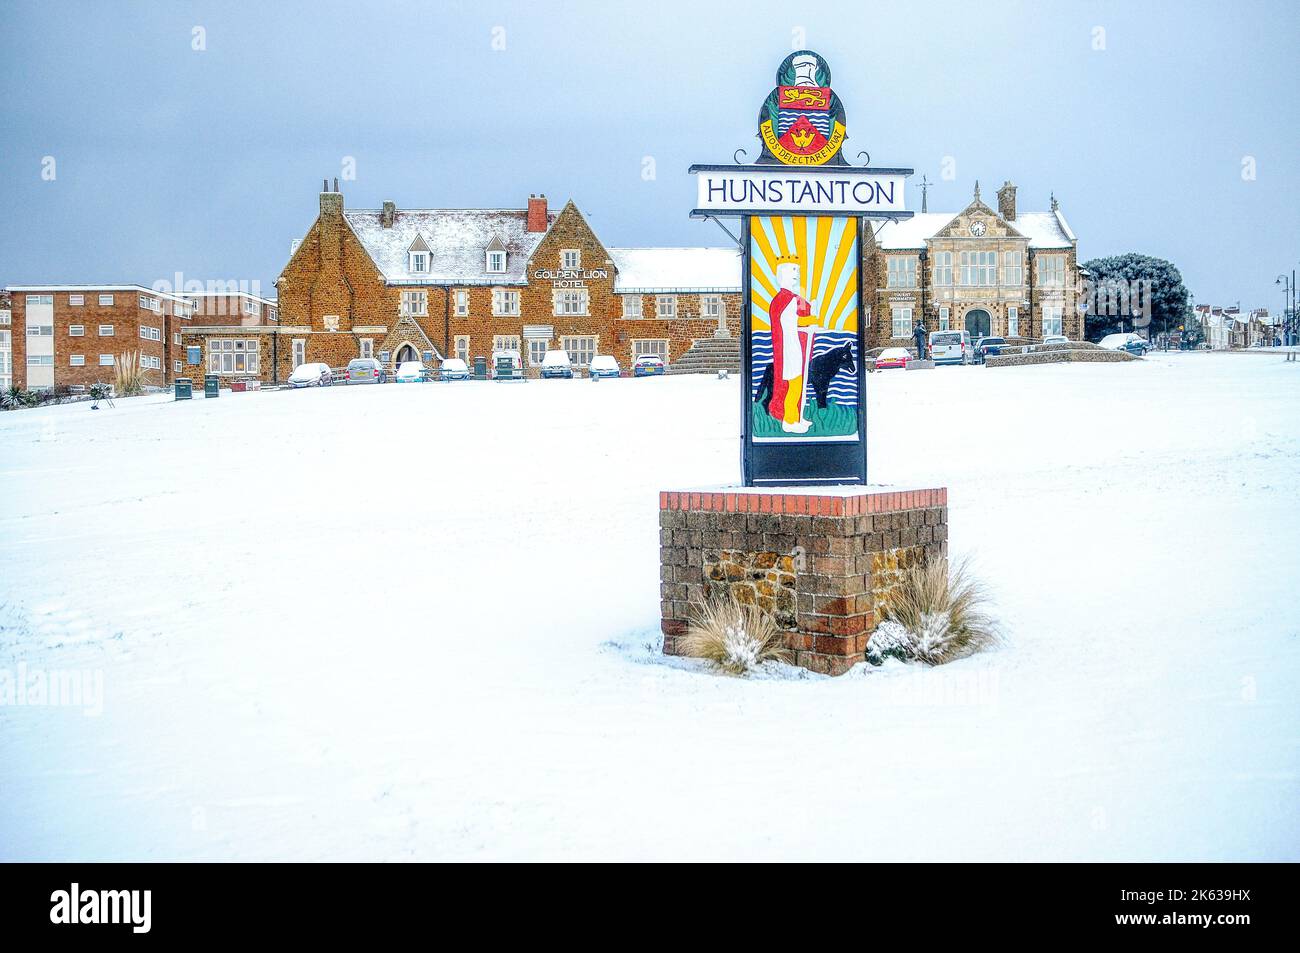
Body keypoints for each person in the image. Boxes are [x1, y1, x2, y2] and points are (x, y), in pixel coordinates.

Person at [766, 257, 826, 433]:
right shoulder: (784, 299)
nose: (797, 275)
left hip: (792, 347)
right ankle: (789, 421)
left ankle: (797, 416)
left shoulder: (789, 298)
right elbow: (791, 322)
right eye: (793, 271)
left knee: (797, 384)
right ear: (783, 273)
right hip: (788, 350)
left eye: (797, 271)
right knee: (793, 386)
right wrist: (812, 319)